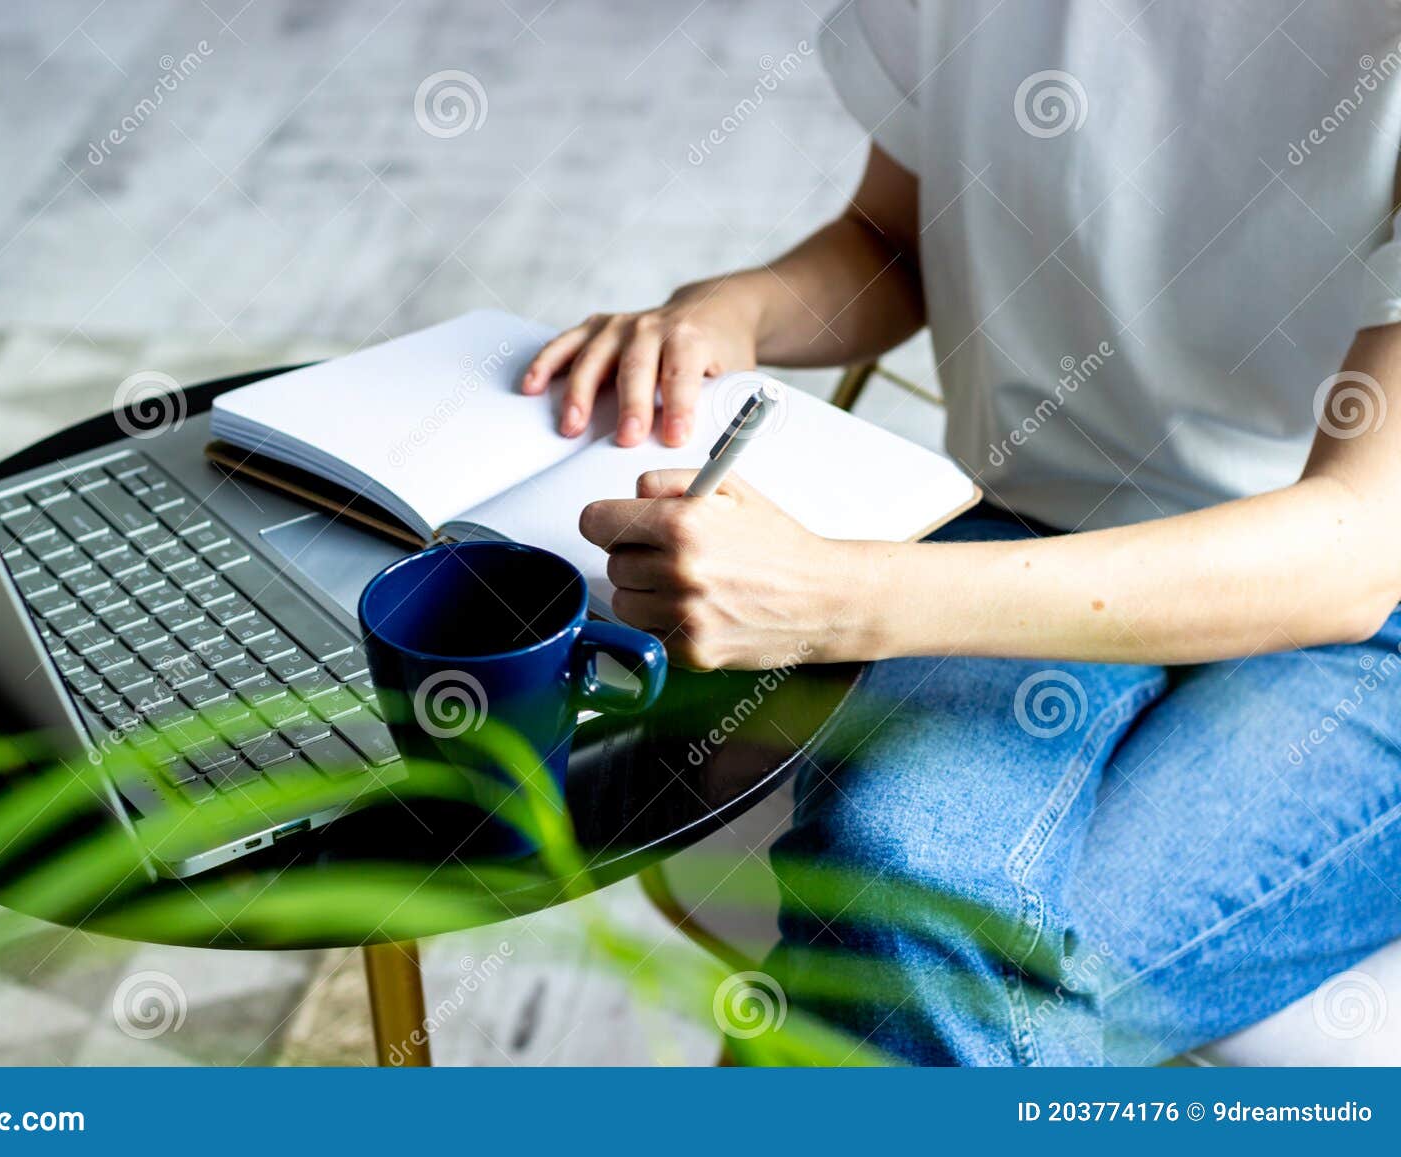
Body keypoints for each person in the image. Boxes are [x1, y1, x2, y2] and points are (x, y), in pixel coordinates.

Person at [521, 2, 1401, 1064]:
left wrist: (835, 595)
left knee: (929, 965)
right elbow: (893, 240)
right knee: (891, 882)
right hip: (1021, 538)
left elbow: (1350, 553)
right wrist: (733, 311)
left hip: (1359, 633)